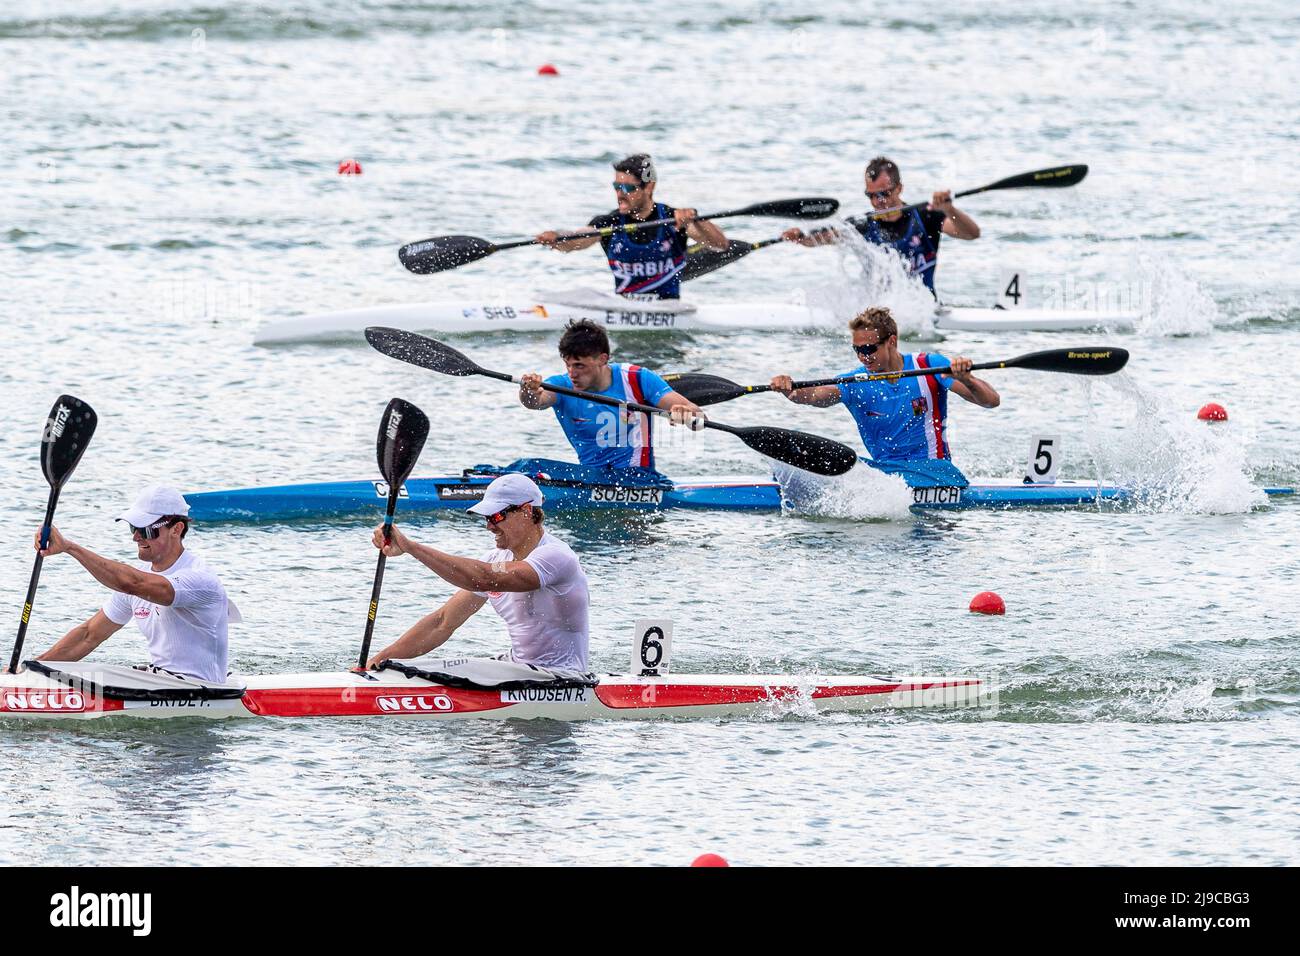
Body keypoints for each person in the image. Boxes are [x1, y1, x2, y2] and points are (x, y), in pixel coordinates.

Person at [365, 474, 589, 675]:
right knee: (408, 668)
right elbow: (442, 623)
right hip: (518, 668)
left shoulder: (556, 557)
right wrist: (381, 660)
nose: (489, 527)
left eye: (496, 516)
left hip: (562, 676)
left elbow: (485, 577)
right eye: (486, 518)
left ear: (526, 511)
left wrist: (411, 548)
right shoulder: (495, 560)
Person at [23, 485, 235, 682]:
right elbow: (89, 635)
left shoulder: (199, 579)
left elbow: (131, 583)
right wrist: (31, 671)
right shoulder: (139, 578)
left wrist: (70, 547)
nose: (136, 537)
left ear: (176, 529)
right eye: (133, 528)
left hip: (202, 689)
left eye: (146, 530)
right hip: (160, 681)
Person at [771, 307, 999, 465]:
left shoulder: (929, 366)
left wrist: (967, 378)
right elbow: (815, 396)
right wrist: (791, 390)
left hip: (935, 473)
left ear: (891, 341)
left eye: (869, 349)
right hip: (886, 476)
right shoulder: (856, 381)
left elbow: (991, 401)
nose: (863, 357)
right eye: (857, 350)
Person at [518, 318, 704, 471]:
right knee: (530, 467)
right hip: (591, 477)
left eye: (580, 365)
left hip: (638, 480)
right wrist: (528, 391)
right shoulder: (561, 385)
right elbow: (536, 402)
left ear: (603, 359)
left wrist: (687, 414)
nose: (572, 373)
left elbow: (699, 420)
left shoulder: (637, 379)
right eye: (568, 365)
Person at [535, 153, 728, 299]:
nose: (620, 194)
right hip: (624, 310)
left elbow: (720, 245)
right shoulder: (609, 223)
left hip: (669, 311)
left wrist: (696, 219)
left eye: (628, 188)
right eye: (616, 187)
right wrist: (556, 238)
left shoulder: (673, 219)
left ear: (649, 187)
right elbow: (576, 241)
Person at [781, 156, 980, 296]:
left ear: (899, 188)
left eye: (884, 193)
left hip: (922, 313)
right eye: (871, 195)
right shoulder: (861, 225)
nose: (878, 201)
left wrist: (948, 209)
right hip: (878, 316)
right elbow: (818, 239)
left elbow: (971, 234)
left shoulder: (925, 216)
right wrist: (800, 236)